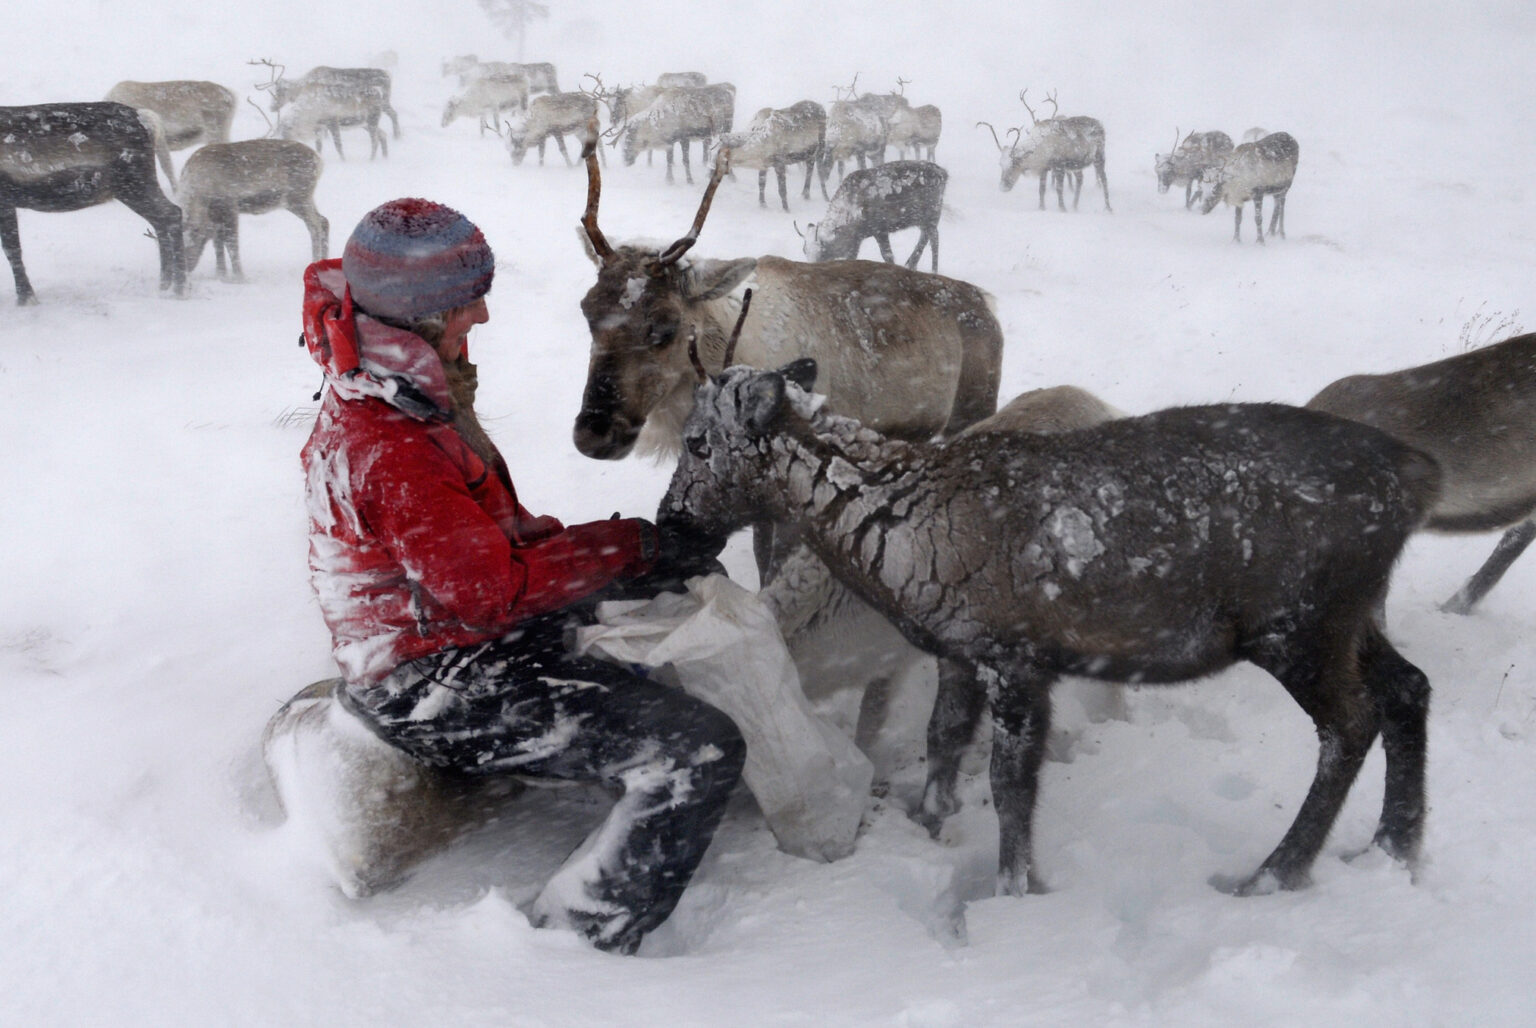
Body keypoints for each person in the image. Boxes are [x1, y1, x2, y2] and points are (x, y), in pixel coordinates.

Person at [298, 198, 744, 955]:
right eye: (465, 302)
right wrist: (630, 548)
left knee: (651, 625)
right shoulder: (393, 441)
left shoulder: (399, 391)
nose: (482, 317)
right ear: (419, 315)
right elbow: (488, 590)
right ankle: (575, 943)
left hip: (455, 637)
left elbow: (492, 547)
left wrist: (629, 554)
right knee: (695, 750)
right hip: (431, 677)